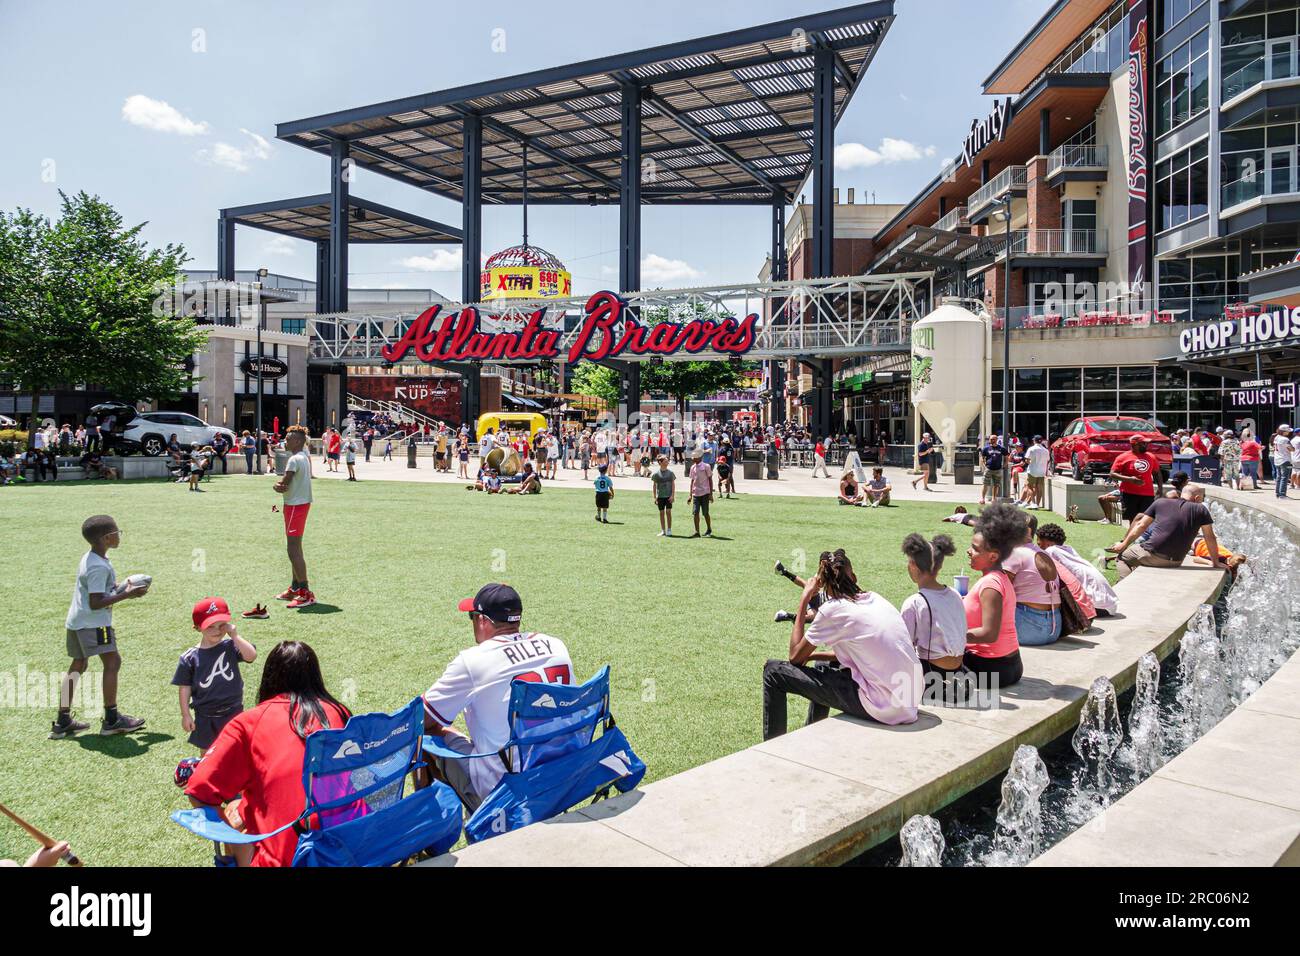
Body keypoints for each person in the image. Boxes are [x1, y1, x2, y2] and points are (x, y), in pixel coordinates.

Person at [184, 641, 352, 867]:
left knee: (235, 811)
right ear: (315, 676)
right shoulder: (338, 712)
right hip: (347, 847)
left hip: (290, 858)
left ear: (270, 676)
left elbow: (199, 791)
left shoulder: (249, 723)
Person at [421, 584, 573, 812]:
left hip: (509, 790)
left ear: (482, 620)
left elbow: (422, 719)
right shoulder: (556, 645)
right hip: (561, 775)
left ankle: (433, 838)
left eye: (472, 617)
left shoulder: (474, 661)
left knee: (423, 736)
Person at [761, 549, 922, 739]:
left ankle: (772, 747)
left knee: (774, 672)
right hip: (910, 698)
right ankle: (813, 732)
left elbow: (795, 657)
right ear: (853, 577)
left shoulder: (832, 609)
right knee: (823, 664)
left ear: (823, 585)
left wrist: (805, 597)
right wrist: (813, 656)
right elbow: (863, 654)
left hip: (887, 707)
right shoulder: (876, 598)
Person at [51, 515, 150, 739]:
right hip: (94, 624)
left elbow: (100, 591)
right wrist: (127, 595)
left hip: (77, 622)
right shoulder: (98, 566)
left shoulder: (93, 558)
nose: (119, 535)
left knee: (79, 665)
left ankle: (63, 720)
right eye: (117, 532)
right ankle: (112, 719)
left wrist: (120, 587)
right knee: (113, 662)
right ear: (106, 538)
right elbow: (96, 602)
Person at [174, 597, 257, 751]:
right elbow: (184, 688)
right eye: (210, 626)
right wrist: (185, 715)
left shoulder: (231, 645)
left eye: (221, 625)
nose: (218, 631)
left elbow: (251, 656)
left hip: (234, 711)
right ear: (197, 628)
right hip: (206, 716)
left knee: (238, 751)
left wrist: (235, 635)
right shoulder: (190, 657)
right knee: (208, 754)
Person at [962, 503, 1024, 688]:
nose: (969, 551)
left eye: (975, 549)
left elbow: (989, 634)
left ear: (993, 556)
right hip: (1009, 666)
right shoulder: (1000, 578)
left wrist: (950, 636)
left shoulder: (990, 585)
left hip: (990, 668)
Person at [1109, 483, 1223, 578]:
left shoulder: (1160, 502)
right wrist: (1215, 562)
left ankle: (1125, 583)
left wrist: (1124, 544)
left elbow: (1141, 525)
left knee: (1122, 557)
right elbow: (1210, 537)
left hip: (1152, 554)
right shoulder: (1201, 509)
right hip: (1177, 561)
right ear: (1197, 498)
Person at [899, 534, 968, 682]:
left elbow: (903, 646)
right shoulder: (954, 594)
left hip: (932, 674)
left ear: (913, 565)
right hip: (957, 671)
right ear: (940, 566)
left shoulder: (914, 602)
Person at [1001, 511, 1062, 646]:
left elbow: (999, 591)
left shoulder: (1015, 553)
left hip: (1030, 629)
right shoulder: (1043, 553)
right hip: (1054, 628)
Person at [272, 426, 316, 608]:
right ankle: (295, 587)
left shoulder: (293, 459)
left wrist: (277, 486)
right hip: (300, 504)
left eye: (288, 438)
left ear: (297, 441)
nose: (285, 441)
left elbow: (284, 485)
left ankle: (305, 592)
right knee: (295, 547)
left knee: (293, 549)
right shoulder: (304, 457)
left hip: (295, 506)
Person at [1035, 523, 1118, 616]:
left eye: (1039, 544)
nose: (1038, 547)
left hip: (1097, 607)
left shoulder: (1051, 551)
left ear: (1048, 543)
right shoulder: (1069, 549)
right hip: (1109, 605)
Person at [1103, 434, 1163, 528]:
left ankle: (1142, 539)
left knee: (1146, 518)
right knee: (1133, 518)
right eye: (1143, 443)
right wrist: (1130, 480)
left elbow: (1157, 473)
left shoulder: (1151, 457)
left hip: (1148, 493)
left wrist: (1160, 488)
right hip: (1129, 493)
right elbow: (1112, 473)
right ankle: (1132, 539)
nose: (1146, 445)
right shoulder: (1122, 457)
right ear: (1135, 444)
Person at [688, 448, 714, 538]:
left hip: (705, 493)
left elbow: (710, 480)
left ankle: (709, 529)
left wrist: (711, 494)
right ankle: (697, 531)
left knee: (705, 513)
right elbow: (692, 481)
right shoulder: (692, 467)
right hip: (696, 493)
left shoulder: (706, 466)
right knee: (695, 512)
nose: (693, 459)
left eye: (695, 457)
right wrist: (690, 495)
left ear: (699, 458)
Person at [1020, 436, 1051, 509]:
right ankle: (1037, 504)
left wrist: (1030, 462)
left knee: (1029, 486)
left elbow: (1027, 460)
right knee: (1039, 488)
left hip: (1032, 470)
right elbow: (1048, 460)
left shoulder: (1031, 449)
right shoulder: (1046, 450)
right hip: (1042, 471)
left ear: (1034, 441)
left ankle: (1033, 503)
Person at [651, 455, 676, 536]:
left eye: (667, 461)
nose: (667, 462)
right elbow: (654, 486)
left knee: (668, 512)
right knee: (661, 513)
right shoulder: (656, 474)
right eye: (665, 461)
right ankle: (663, 530)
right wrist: (655, 497)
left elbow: (673, 484)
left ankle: (669, 530)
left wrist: (672, 495)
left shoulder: (671, 473)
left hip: (668, 496)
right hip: (660, 496)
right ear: (660, 462)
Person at [980, 435, 1004, 505]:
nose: (991, 440)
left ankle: (994, 499)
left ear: (996, 440)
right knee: (985, 484)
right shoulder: (986, 448)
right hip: (989, 469)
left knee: (996, 485)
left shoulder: (1001, 448)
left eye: (993, 439)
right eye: (990, 439)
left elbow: (1006, 456)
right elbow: (982, 457)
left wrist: (1005, 464)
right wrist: (984, 465)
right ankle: (982, 498)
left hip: (998, 469)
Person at [1270, 425, 1292, 498]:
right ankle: (1282, 494)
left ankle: (1278, 493)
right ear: (1284, 431)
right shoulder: (1285, 439)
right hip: (1285, 460)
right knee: (1284, 477)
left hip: (1277, 459)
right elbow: (1292, 449)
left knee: (1279, 477)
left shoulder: (1276, 438)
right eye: (1288, 431)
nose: (1289, 432)